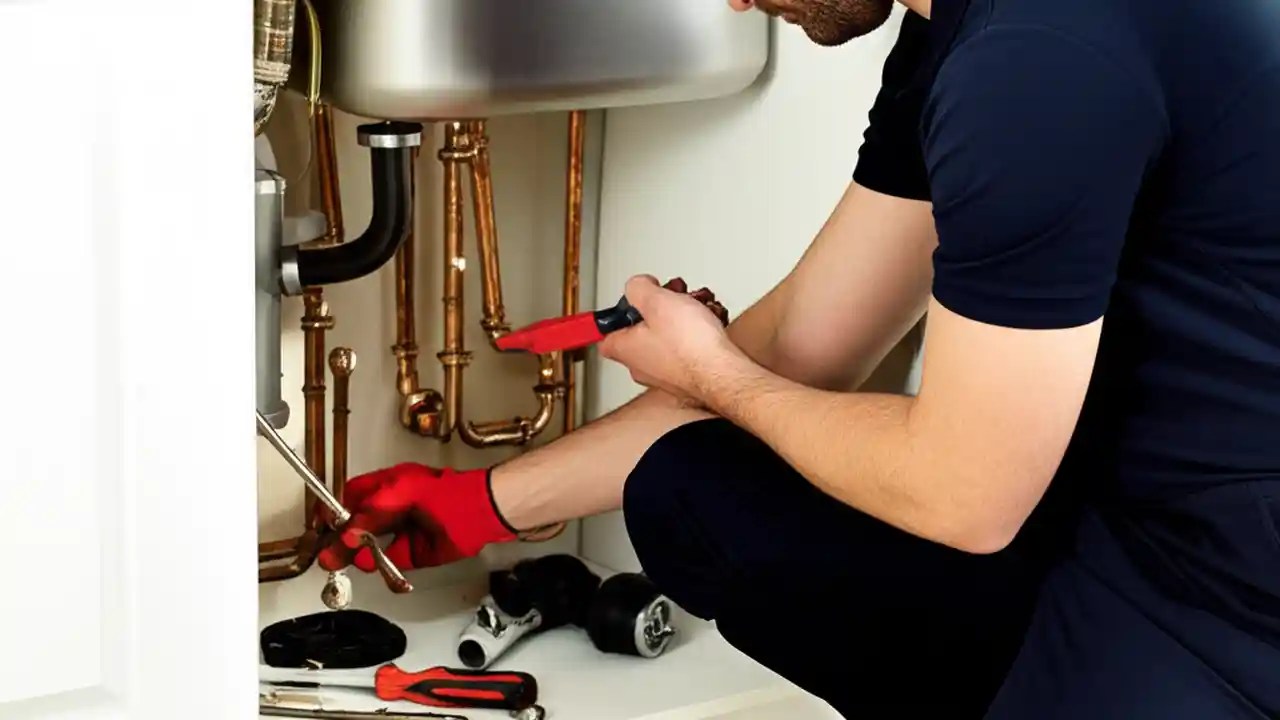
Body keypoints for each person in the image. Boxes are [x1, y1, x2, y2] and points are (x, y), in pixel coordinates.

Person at [319, 0, 1280, 717]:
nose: (735, 2)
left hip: (1217, 606)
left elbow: (964, 494)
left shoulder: (1035, 63)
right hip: (1137, 521)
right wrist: (480, 505)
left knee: (700, 496)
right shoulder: (963, 34)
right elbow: (805, 343)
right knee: (693, 479)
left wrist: (712, 373)